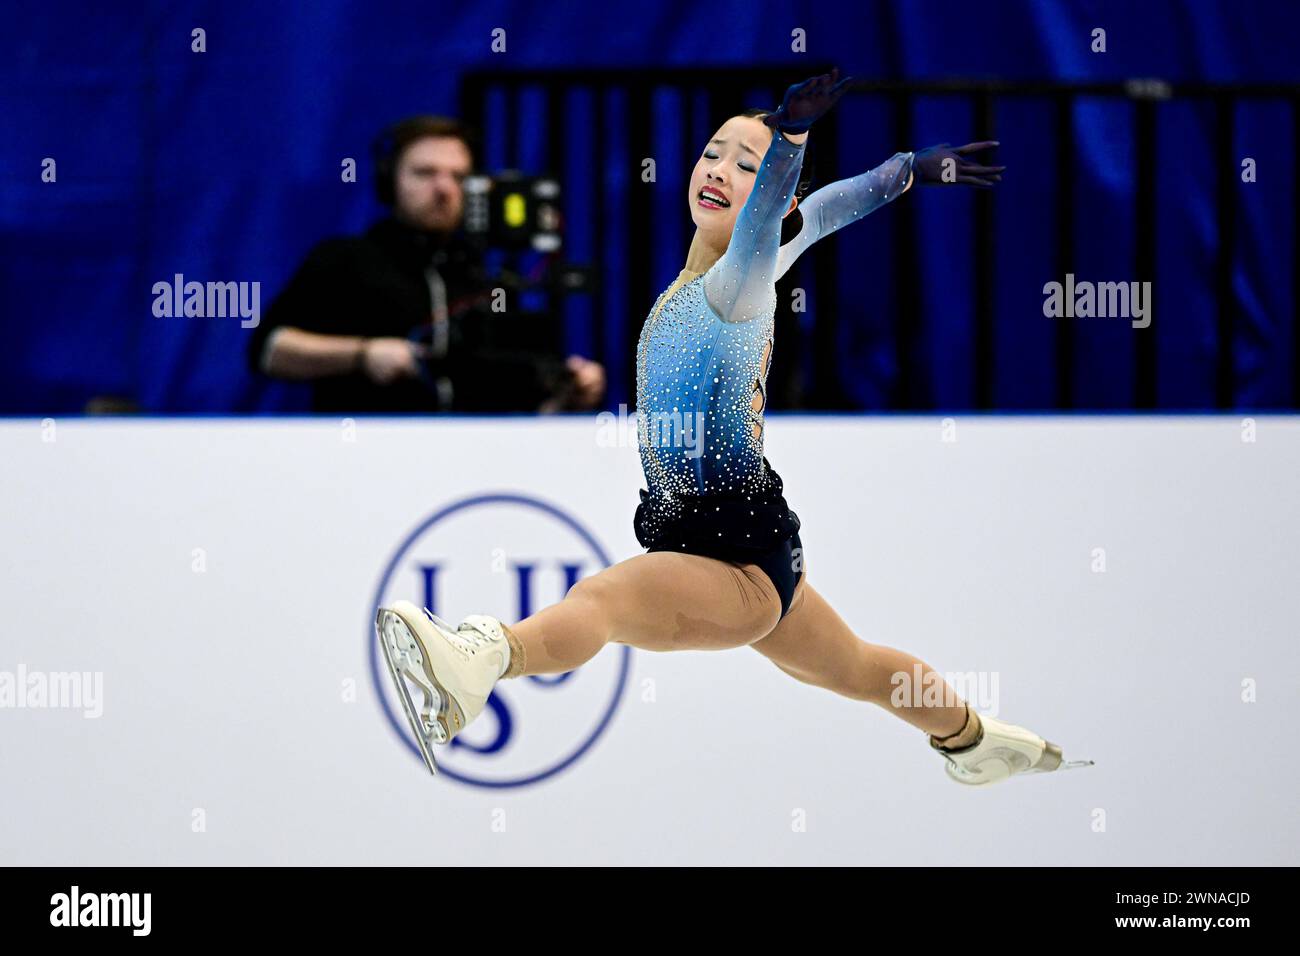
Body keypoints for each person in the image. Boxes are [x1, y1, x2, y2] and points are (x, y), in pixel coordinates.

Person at [375, 71, 1092, 784]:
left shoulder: (740, 284)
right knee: (858, 669)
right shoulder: (745, 266)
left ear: (770, 198)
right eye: (714, 152)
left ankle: (481, 659)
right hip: (737, 544)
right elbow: (832, 208)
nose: (720, 171)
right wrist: (906, 170)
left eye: (746, 166)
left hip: (735, 558)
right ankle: (975, 740)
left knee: (602, 600)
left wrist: (793, 140)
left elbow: (780, 210)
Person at [246, 115, 605, 413]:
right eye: (425, 173)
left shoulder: (487, 277)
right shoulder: (346, 259)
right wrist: (362, 354)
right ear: (390, 182)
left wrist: (568, 393)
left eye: (458, 177)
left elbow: (519, 403)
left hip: (475, 471)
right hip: (365, 462)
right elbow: (270, 350)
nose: (444, 188)